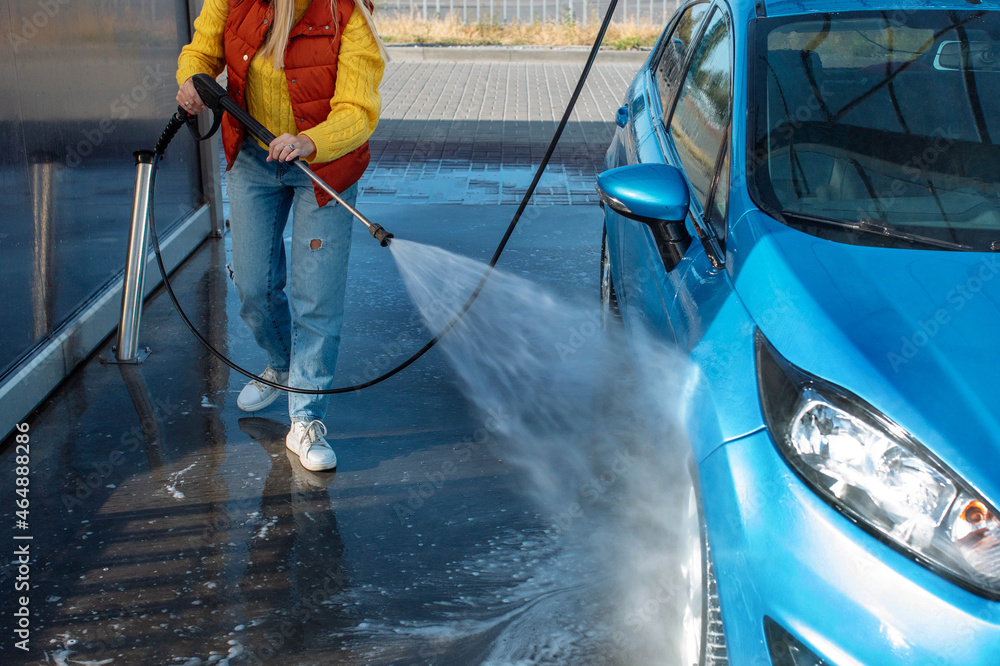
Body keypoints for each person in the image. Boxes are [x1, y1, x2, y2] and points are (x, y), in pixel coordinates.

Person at [175, 0, 387, 471]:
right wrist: (190, 79)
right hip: (255, 159)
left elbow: (358, 109)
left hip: (323, 164)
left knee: (316, 298)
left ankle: (306, 418)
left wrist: (310, 141)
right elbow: (201, 50)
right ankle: (283, 365)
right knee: (253, 286)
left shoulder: (347, 13)